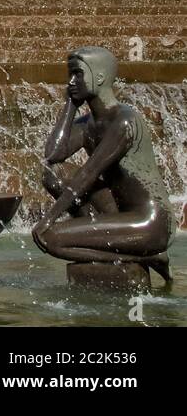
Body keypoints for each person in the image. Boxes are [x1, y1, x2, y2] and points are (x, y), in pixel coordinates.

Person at [31, 46, 174, 283]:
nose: (71, 82)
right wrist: (70, 105)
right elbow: (54, 155)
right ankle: (130, 252)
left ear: (99, 77)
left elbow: (89, 172)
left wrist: (49, 219)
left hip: (151, 221)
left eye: (77, 74)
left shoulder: (124, 121)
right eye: (70, 75)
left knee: (51, 238)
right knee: (53, 174)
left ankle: (145, 255)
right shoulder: (88, 123)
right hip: (118, 211)